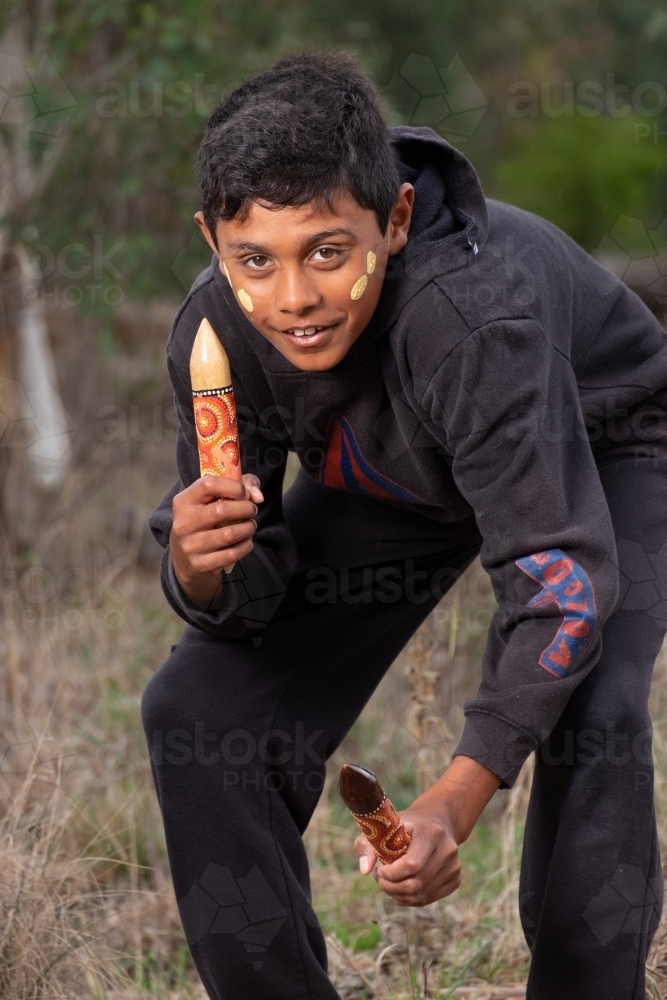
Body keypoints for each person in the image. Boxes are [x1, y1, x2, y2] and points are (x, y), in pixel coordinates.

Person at [141, 51, 667, 1000]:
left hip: (605, 436)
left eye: (326, 252)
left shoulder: (472, 320)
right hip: (407, 468)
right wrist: (199, 565)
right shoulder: (216, 334)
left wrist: (453, 801)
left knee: (594, 706)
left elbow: (562, 594)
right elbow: (241, 602)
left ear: (394, 220)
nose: (292, 299)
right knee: (194, 707)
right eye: (254, 259)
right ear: (211, 239)